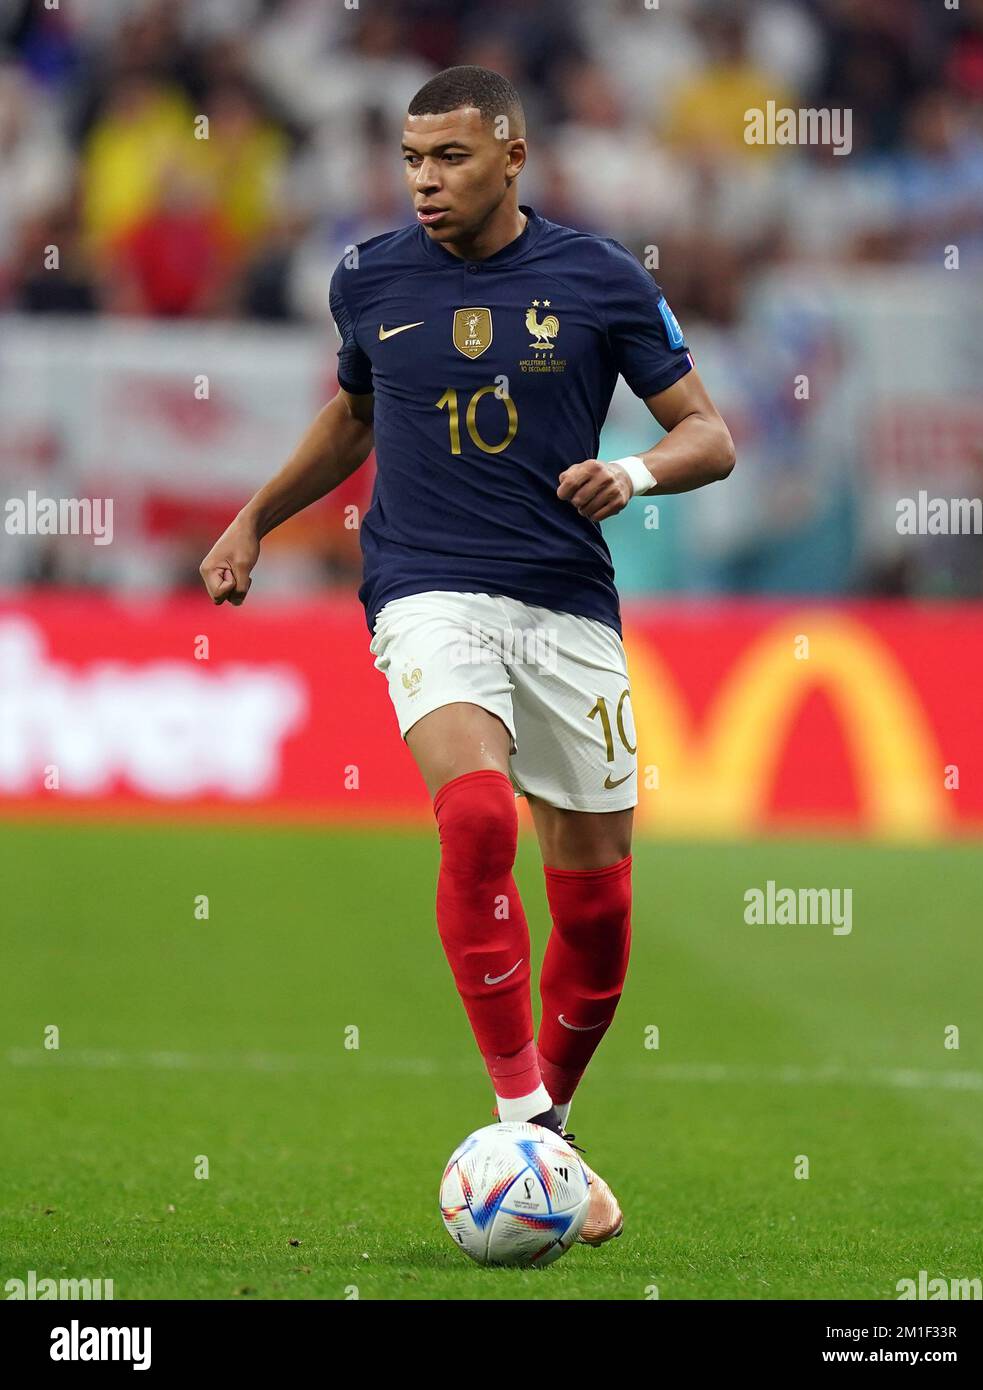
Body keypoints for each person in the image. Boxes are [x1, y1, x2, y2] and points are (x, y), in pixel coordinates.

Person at [200, 65, 735, 1248]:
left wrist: (632, 472)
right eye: (409, 159)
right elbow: (353, 414)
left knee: (594, 919)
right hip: (425, 590)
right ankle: (526, 1118)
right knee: (478, 823)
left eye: (448, 158)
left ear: (512, 158)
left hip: (567, 608)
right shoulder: (367, 278)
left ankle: (545, 1135)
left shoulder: (598, 278)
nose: (424, 182)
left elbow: (709, 434)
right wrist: (254, 516)